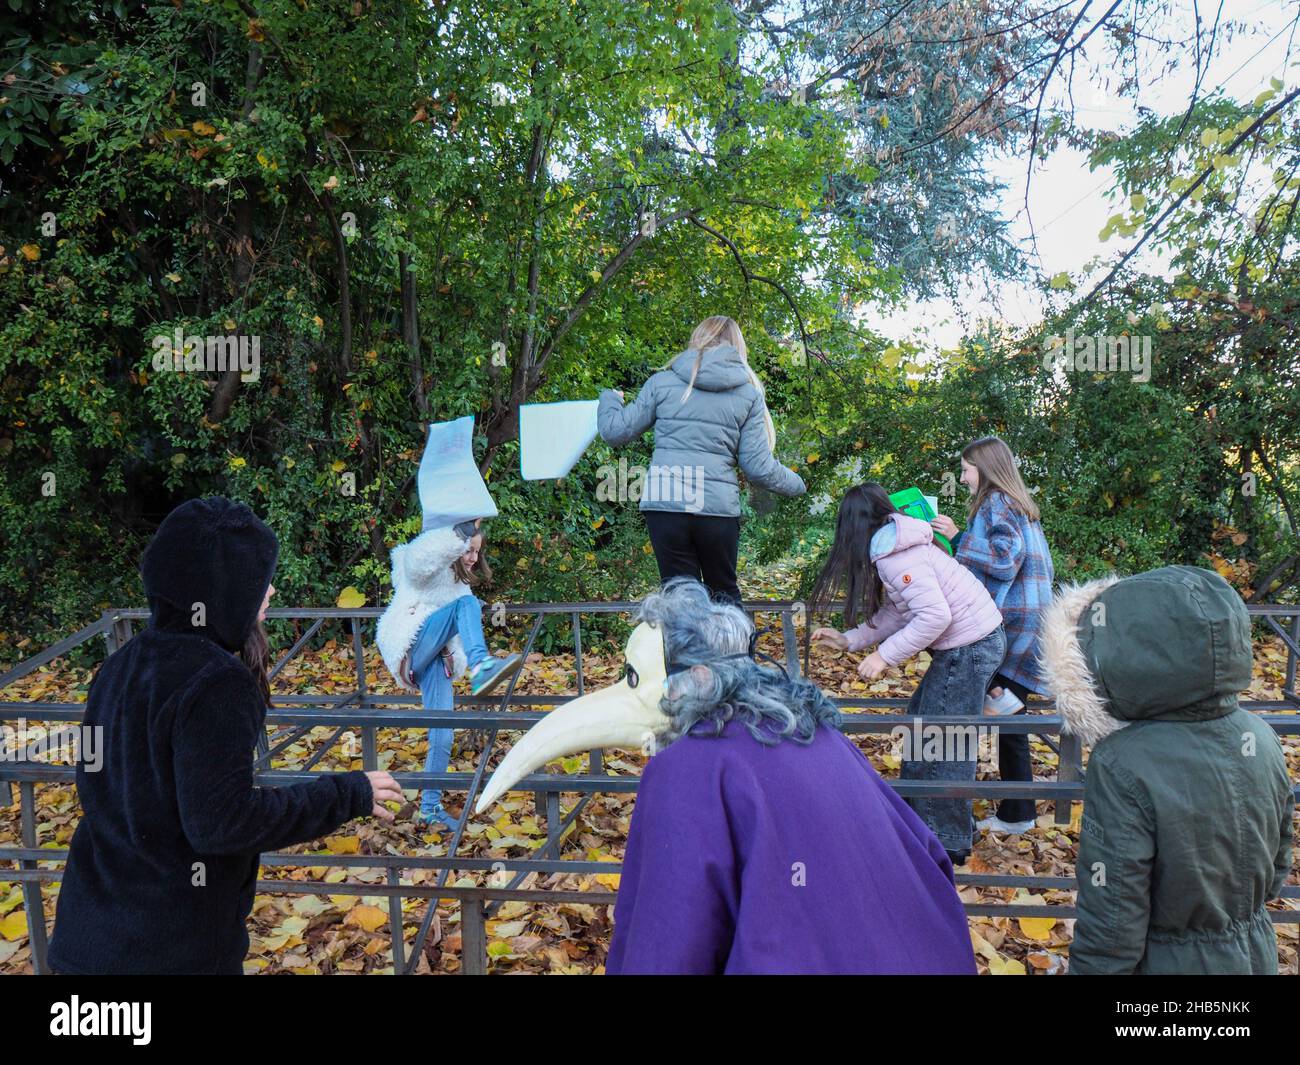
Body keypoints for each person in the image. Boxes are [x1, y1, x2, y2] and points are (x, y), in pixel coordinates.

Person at [474, 578, 976, 974]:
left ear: (690, 680)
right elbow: (929, 855)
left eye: (634, 678)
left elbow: (667, 941)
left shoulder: (687, 769)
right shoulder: (822, 736)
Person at [47, 497, 404, 975]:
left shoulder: (120, 665)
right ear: (222, 587)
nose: (271, 590)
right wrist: (345, 794)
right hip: (168, 954)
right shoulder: (216, 682)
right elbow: (222, 824)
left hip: (85, 940)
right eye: (259, 578)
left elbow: (97, 787)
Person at [1039, 565, 1293, 974]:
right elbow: (1279, 860)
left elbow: (1113, 912)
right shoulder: (1261, 736)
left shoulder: (1122, 760)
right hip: (1252, 954)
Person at [809, 483, 1005, 865]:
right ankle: (928, 822)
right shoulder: (895, 547)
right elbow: (897, 614)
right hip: (970, 643)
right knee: (923, 727)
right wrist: (849, 640)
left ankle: (946, 842)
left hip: (970, 646)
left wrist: (883, 657)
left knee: (943, 738)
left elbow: (935, 616)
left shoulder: (896, 556)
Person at [597, 315, 805, 605]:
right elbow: (757, 468)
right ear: (737, 346)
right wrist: (798, 484)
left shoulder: (662, 383)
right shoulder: (748, 394)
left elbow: (615, 431)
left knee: (680, 598)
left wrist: (610, 398)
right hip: (716, 510)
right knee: (724, 594)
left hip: (666, 506)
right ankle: (737, 651)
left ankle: (686, 652)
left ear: (697, 338)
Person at [932, 436, 1055, 836]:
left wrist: (956, 537)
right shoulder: (1019, 504)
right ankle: (1018, 811)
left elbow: (1005, 559)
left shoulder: (996, 501)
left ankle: (955, 808)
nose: (963, 476)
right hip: (1029, 619)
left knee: (977, 705)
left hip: (1011, 620)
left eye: (966, 469)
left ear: (984, 468)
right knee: (1007, 716)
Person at [376, 518, 520, 832]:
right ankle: (482, 667)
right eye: (468, 549)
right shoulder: (425, 567)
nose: (471, 557)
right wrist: (458, 533)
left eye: (476, 552)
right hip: (412, 645)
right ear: (452, 544)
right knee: (466, 605)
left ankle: (429, 809)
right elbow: (421, 557)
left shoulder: (460, 584)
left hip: (434, 662)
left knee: (442, 736)